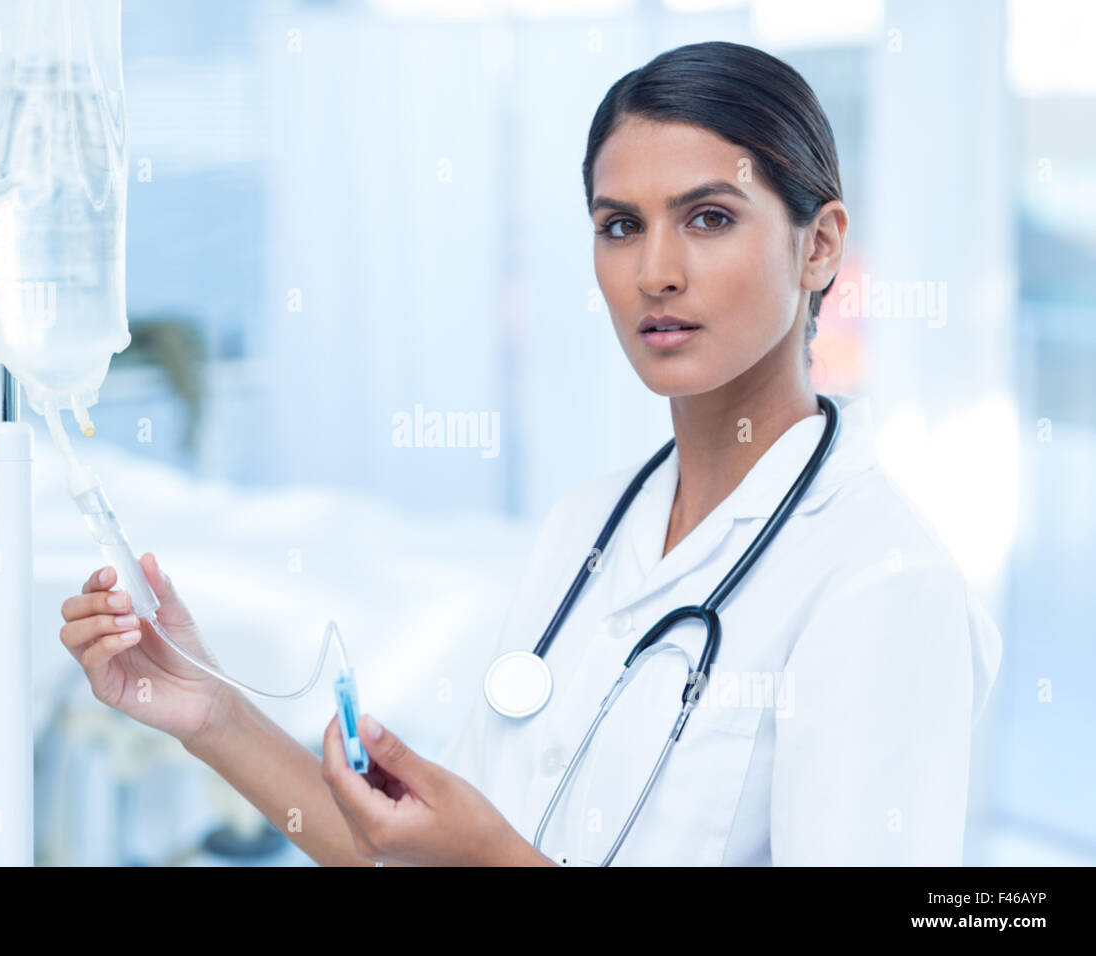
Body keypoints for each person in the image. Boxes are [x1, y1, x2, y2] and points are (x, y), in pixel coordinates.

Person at [58, 40, 1002, 867]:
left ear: (820, 246)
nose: (655, 270)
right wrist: (210, 709)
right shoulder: (585, 529)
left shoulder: (884, 584)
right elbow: (406, 857)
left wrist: (500, 860)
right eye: (620, 225)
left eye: (709, 217)